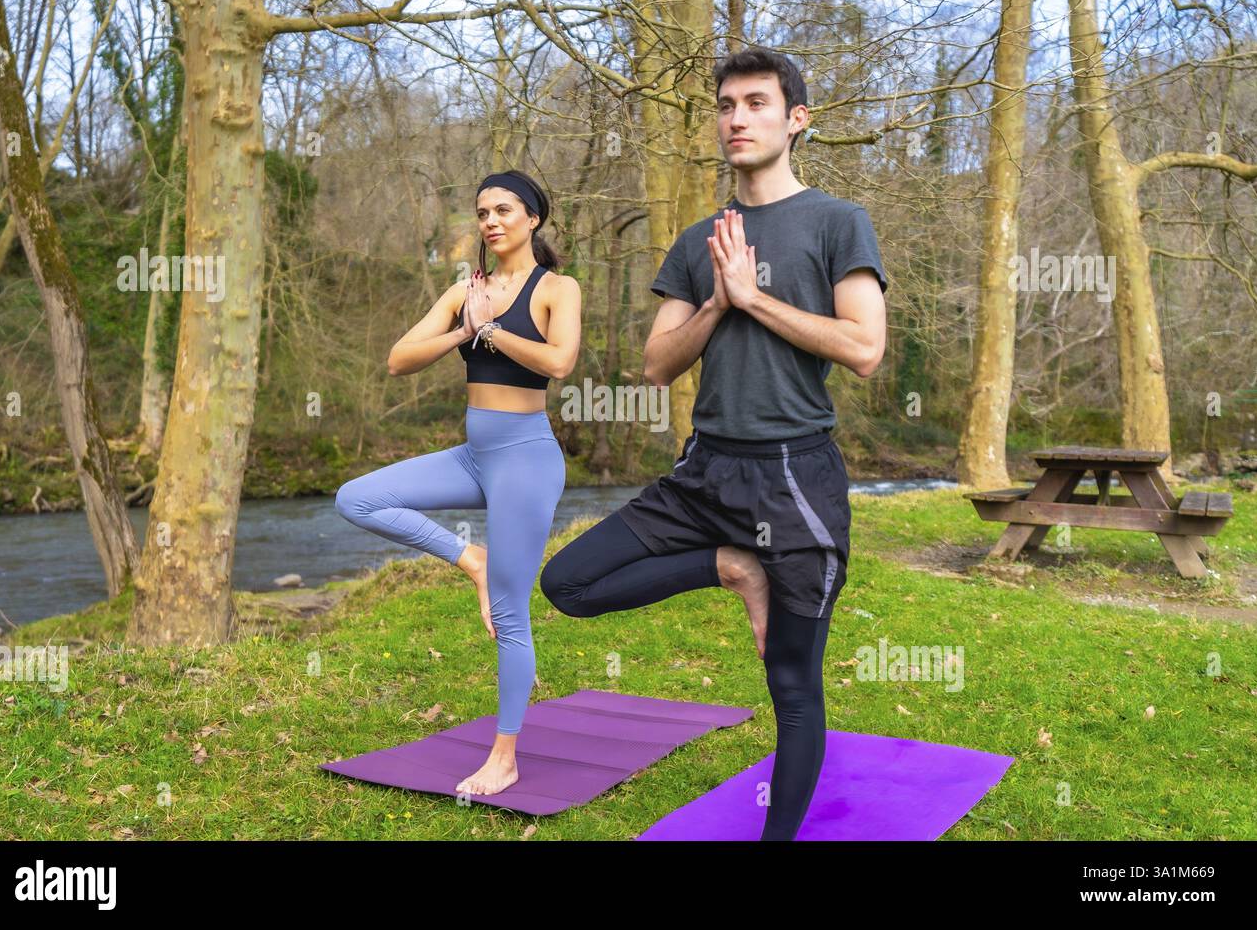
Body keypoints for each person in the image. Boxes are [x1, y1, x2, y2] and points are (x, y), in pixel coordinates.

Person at [539, 47, 888, 840]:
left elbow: (865, 350)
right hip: (703, 473)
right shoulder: (701, 239)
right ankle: (733, 567)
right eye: (727, 105)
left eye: (758, 103)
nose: (737, 118)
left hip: (794, 477)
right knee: (568, 584)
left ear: (796, 120)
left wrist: (755, 298)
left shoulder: (838, 222)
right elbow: (657, 366)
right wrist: (718, 305)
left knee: (792, 687)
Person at [335, 170, 581, 796]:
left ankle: (505, 755)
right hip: (475, 455)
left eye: (504, 209)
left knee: (509, 614)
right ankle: (471, 556)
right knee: (356, 497)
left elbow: (559, 361)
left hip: (526, 460)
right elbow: (397, 359)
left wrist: (495, 329)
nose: (491, 221)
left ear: (533, 218)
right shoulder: (463, 290)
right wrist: (464, 330)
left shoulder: (557, 288)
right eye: (481, 213)